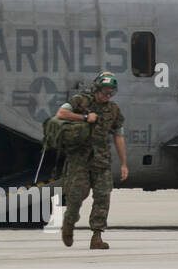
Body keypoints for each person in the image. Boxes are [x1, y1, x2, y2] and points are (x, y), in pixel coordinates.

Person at [55, 72, 128, 249]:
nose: (108, 95)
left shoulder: (114, 110)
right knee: (76, 196)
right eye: (105, 91)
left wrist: (124, 163)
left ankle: (97, 236)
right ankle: (69, 222)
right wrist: (85, 118)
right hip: (79, 159)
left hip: (102, 160)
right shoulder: (80, 101)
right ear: (96, 89)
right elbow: (61, 113)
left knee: (103, 196)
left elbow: (119, 135)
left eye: (111, 92)